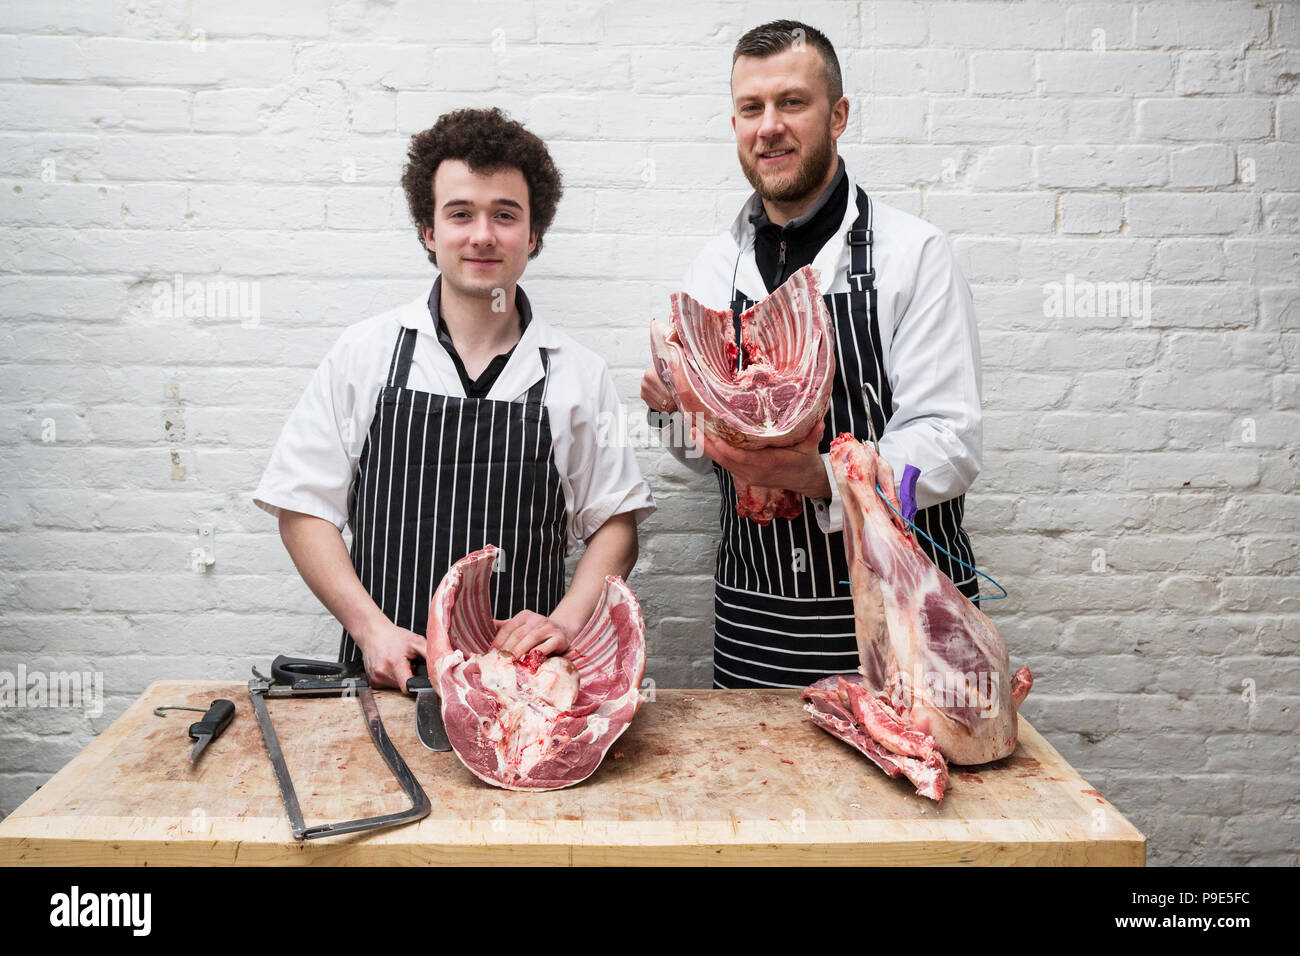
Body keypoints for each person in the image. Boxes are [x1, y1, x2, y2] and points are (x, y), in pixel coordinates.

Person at [256, 108, 654, 689]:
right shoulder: (365, 354)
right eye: (460, 213)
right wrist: (371, 630)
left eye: (505, 215)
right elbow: (302, 507)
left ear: (534, 234)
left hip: (521, 691)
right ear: (428, 230)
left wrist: (565, 623)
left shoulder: (576, 374)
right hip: (386, 677)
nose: (482, 235)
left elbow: (616, 523)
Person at [641, 20, 983, 689]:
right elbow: (696, 459)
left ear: (839, 114)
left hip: (906, 608)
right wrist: (672, 408)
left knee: (915, 787)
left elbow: (953, 440)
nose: (768, 126)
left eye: (792, 102)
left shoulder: (911, 254)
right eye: (751, 108)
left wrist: (819, 475)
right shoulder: (715, 267)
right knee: (762, 788)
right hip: (758, 615)